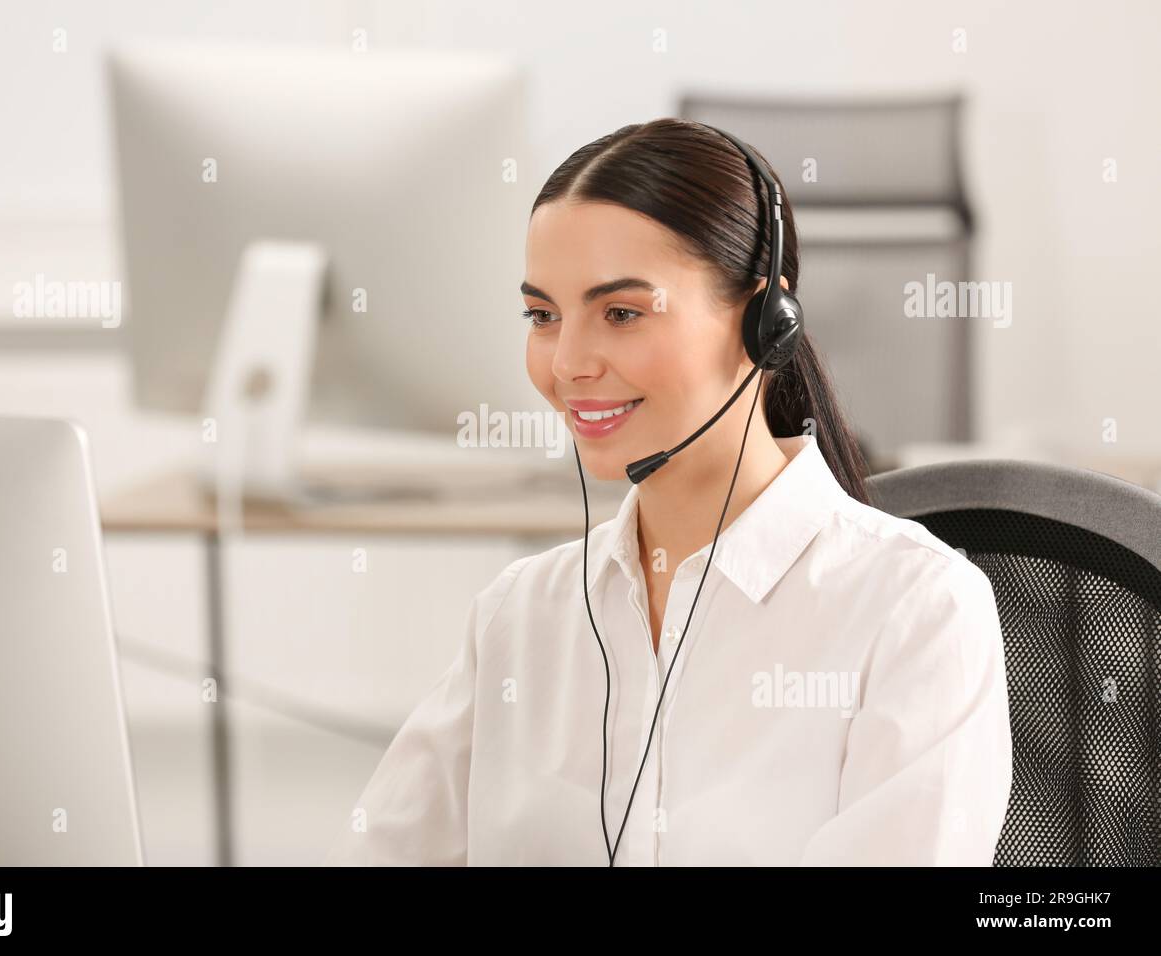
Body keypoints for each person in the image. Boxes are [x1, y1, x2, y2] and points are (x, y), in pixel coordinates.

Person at [325, 118, 1013, 866]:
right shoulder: (518, 619)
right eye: (543, 316)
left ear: (763, 323)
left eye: (620, 313)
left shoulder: (915, 610)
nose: (569, 364)